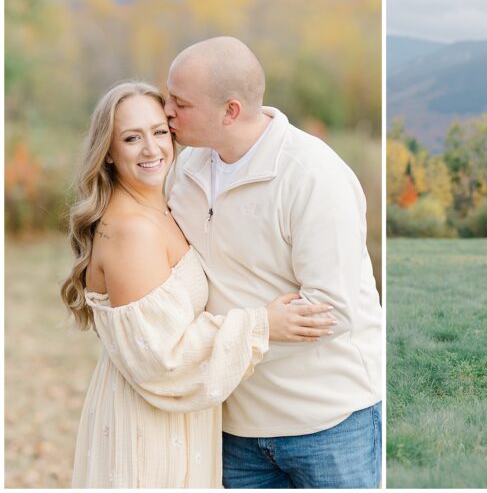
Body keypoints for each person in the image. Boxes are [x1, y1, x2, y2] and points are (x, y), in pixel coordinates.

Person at [61, 81, 336, 488]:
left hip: (180, 416)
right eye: (132, 138)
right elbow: (161, 360)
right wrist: (262, 324)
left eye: (159, 132)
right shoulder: (131, 230)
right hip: (149, 422)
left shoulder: (163, 205)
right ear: (108, 152)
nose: (152, 149)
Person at [164, 37, 383, 488]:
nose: (165, 111)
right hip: (231, 425)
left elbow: (330, 311)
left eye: (180, 103)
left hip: (328, 423)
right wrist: (259, 325)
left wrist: (236, 334)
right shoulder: (183, 171)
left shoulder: (311, 175)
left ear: (230, 110)